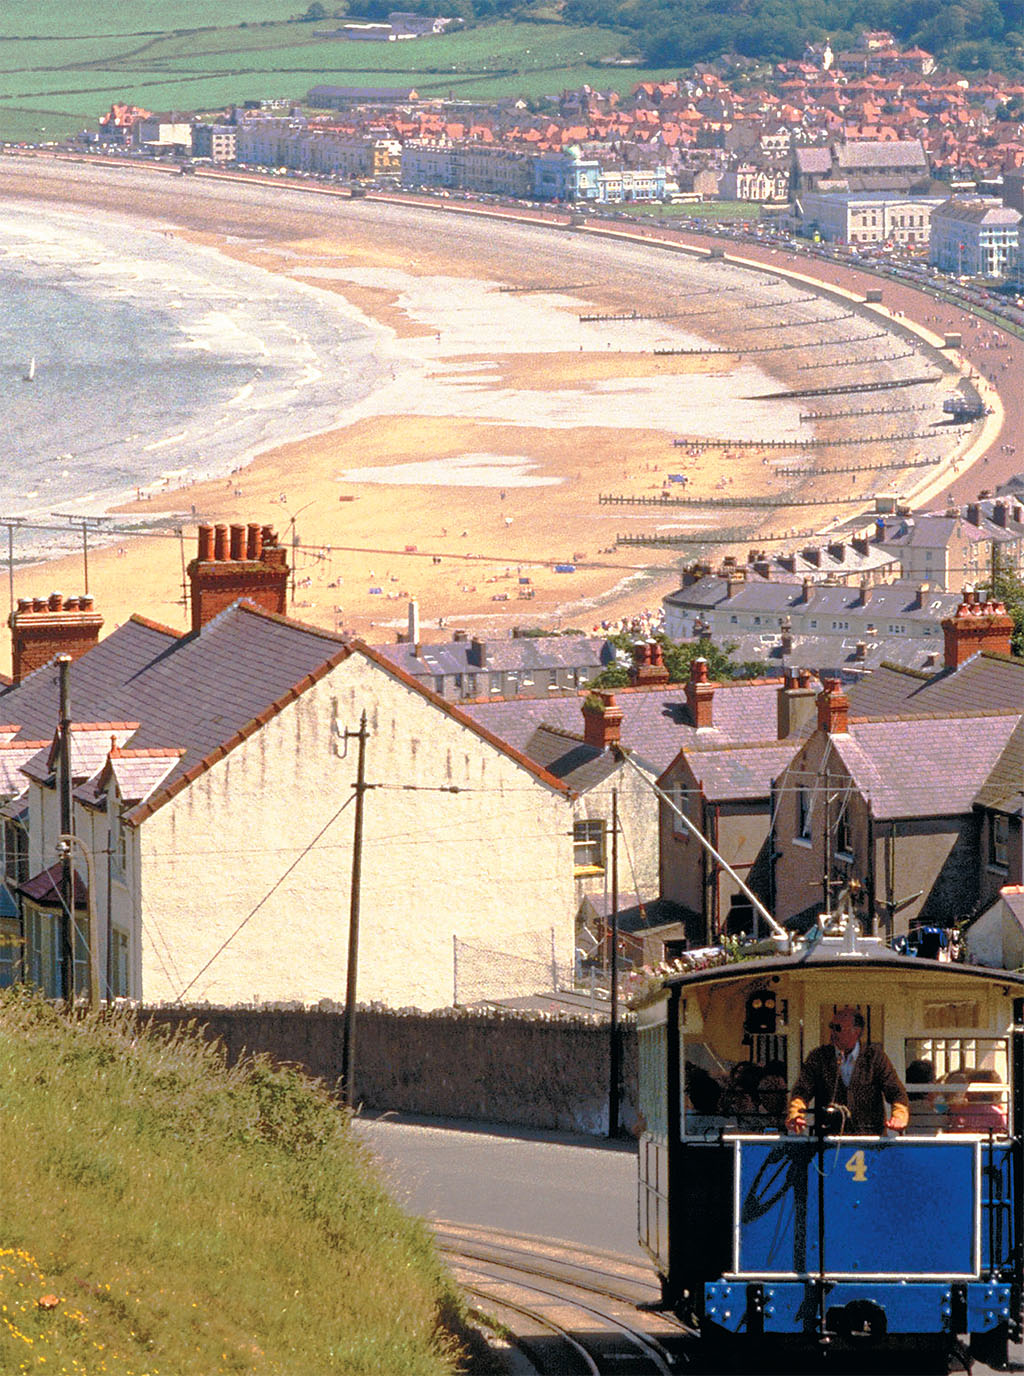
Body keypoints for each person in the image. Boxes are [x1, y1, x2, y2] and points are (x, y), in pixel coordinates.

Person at [785, 1006, 909, 1135]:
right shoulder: (818, 1056)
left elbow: (896, 1092)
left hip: (869, 1141)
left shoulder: (875, 1057)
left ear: (856, 1031)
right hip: (828, 1141)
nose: (832, 1033)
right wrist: (795, 1114)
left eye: (837, 1028)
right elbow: (801, 1091)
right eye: (831, 1027)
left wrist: (899, 1117)